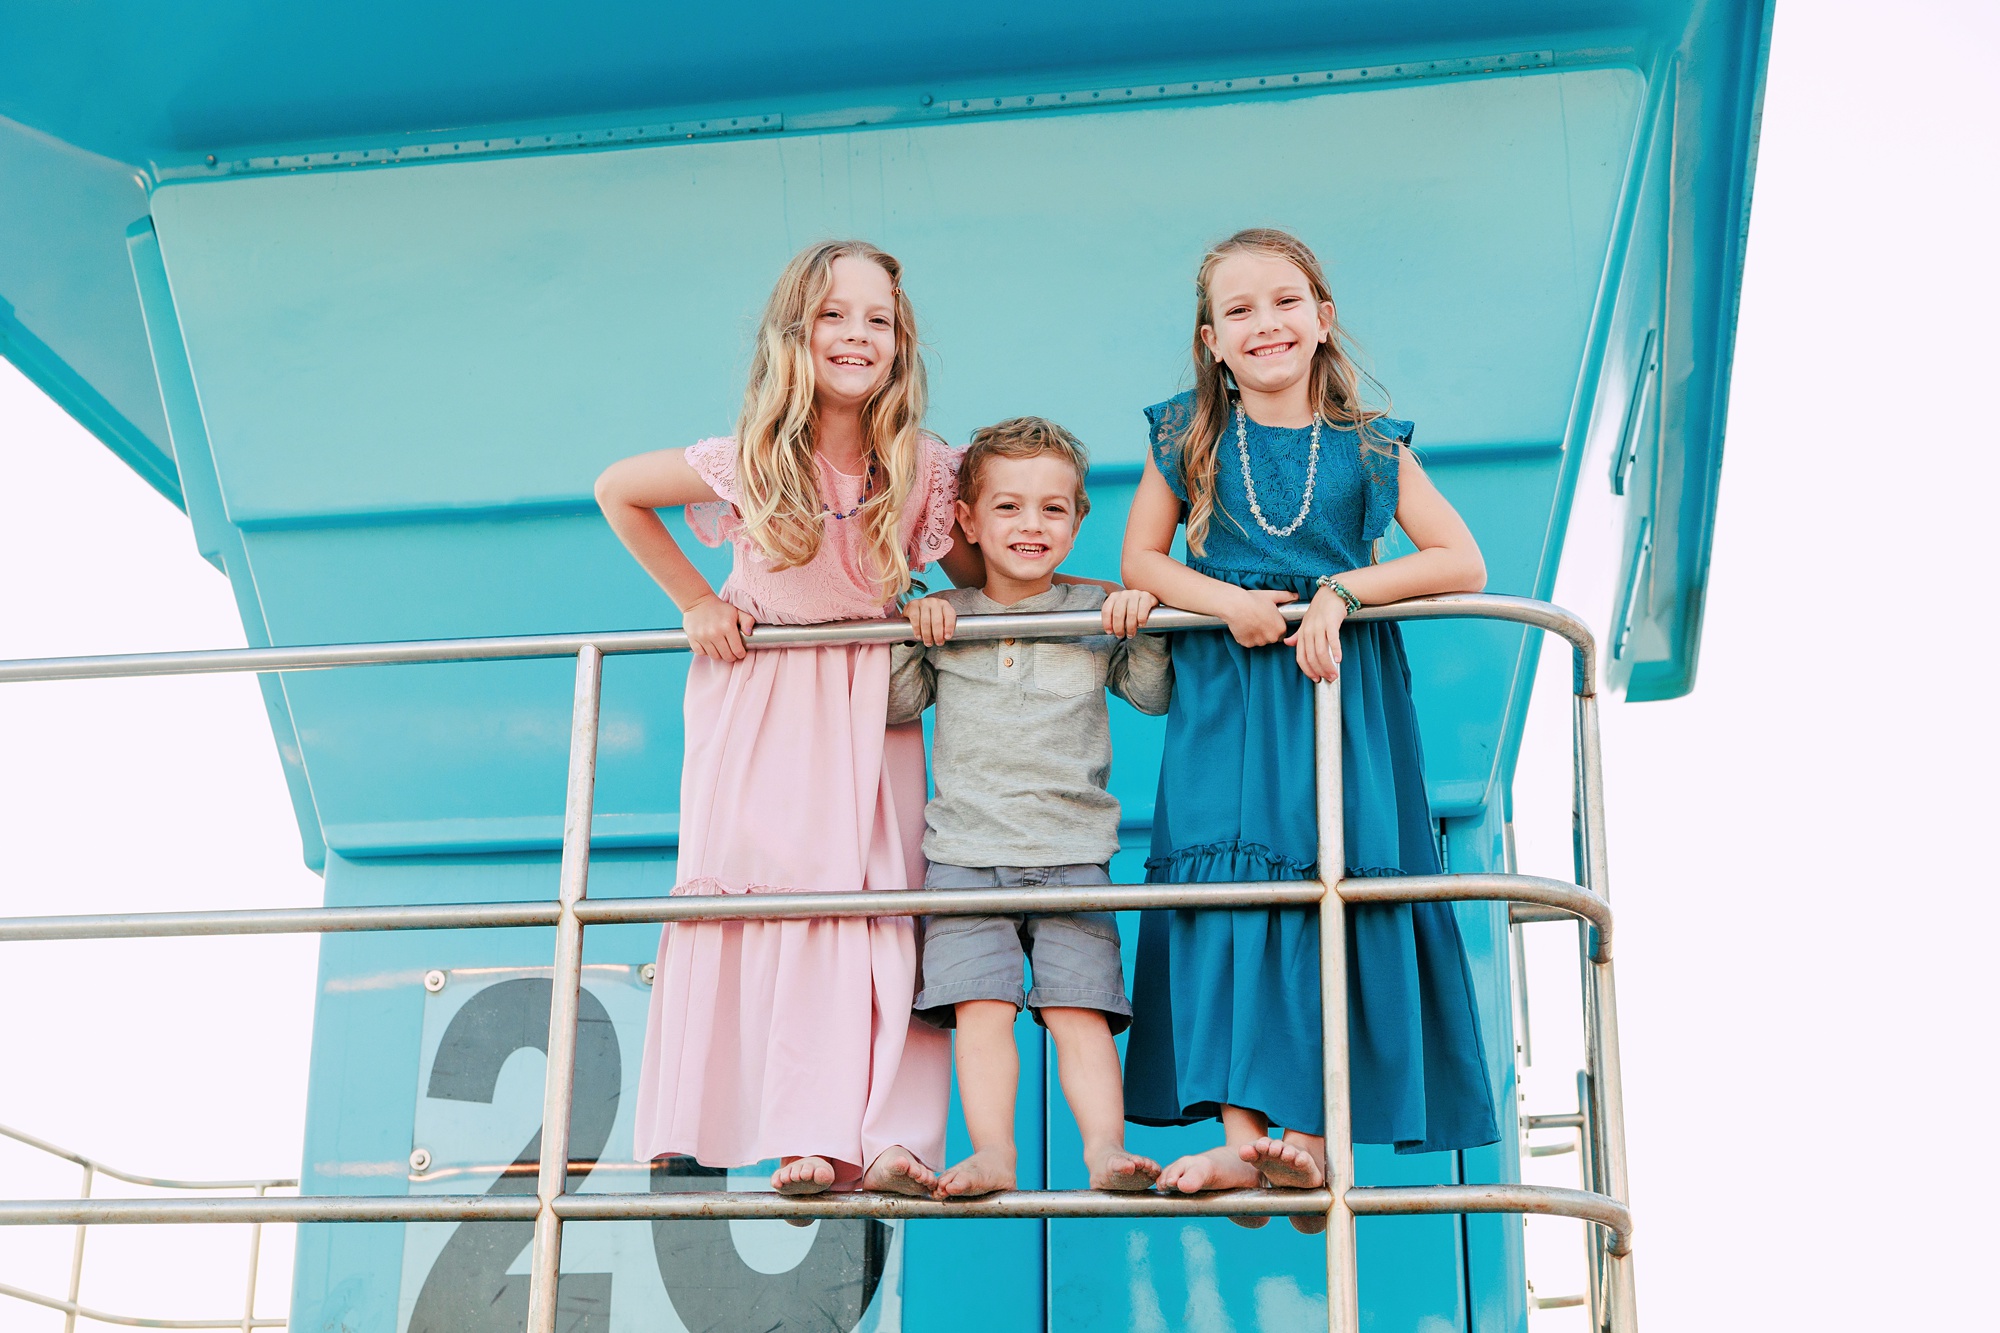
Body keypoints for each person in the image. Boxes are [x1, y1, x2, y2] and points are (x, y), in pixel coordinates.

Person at [1119, 228, 1499, 1231]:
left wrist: (1340, 591)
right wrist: (1224, 603)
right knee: (1230, 891)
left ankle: (1315, 1142)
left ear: (1322, 319)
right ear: (1210, 340)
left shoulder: (1371, 445)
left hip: (1335, 691)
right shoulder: (1185, 436)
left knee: (1332, 880)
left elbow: (1459, 559)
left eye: (1285, 302)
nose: (1265, 324)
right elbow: (1141, 559)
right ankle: (1244, 1141)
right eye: (1238, 310)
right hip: (1227, 695)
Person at [595, 240, 967, 1197]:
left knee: (876, 901)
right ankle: (758, 1125)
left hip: (870, 706)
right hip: (761, 697)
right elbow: (618, 490)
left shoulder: (923, 467)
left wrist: (947, 603)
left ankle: (873, 1137)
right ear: (794, 333)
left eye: (878, 319)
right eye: (834, 315)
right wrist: (696, 601)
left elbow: (987, 568)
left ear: (901, 340)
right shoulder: (752, 460)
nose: (856, 335)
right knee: (764, 894)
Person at [889, 417, 1168, 1199]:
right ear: (968, 521)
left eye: (1053, 508)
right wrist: (909, 631)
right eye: (1008, 507)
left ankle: (1105, 1149)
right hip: (965, 855)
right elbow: (895, 703)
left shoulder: (1095, 608)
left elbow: (1153, 695)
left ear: (1078, 520)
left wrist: (1142, 623)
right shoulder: (948, 613)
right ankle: (993, 1153)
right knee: (981, 1011)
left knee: (1081, 1011)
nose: (1031, 525)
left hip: (1072, 853)